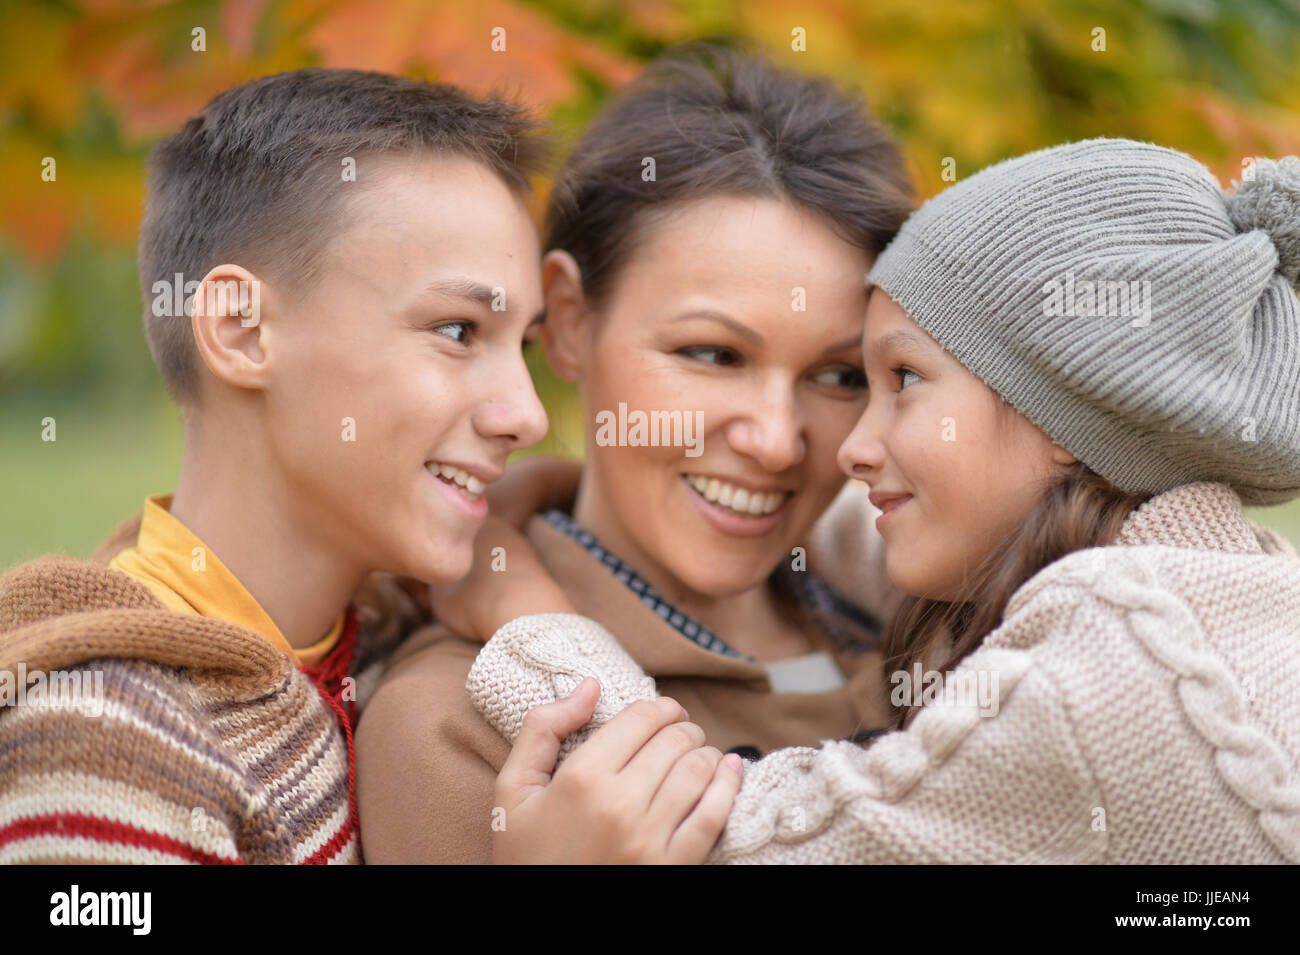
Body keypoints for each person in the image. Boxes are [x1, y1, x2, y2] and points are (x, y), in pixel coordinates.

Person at [467, 139, 1300, 863]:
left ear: (1064, 411)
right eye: (714, 353)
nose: (842, 446)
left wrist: (525, 610)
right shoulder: (1234, 588)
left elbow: (726, 835)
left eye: (900, 378)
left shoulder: (1106, 658)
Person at [354, 49, 914, 864]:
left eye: (837, 375)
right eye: (714, 354)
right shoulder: (460, 723)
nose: (777, 438)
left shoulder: (933, 631)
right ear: (573, 322)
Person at [0, 68, 563, 864]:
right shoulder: (96, 743)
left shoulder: (400, 638)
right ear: (242, 330)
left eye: (524, 345)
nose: (529, 413)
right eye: (459, 330)